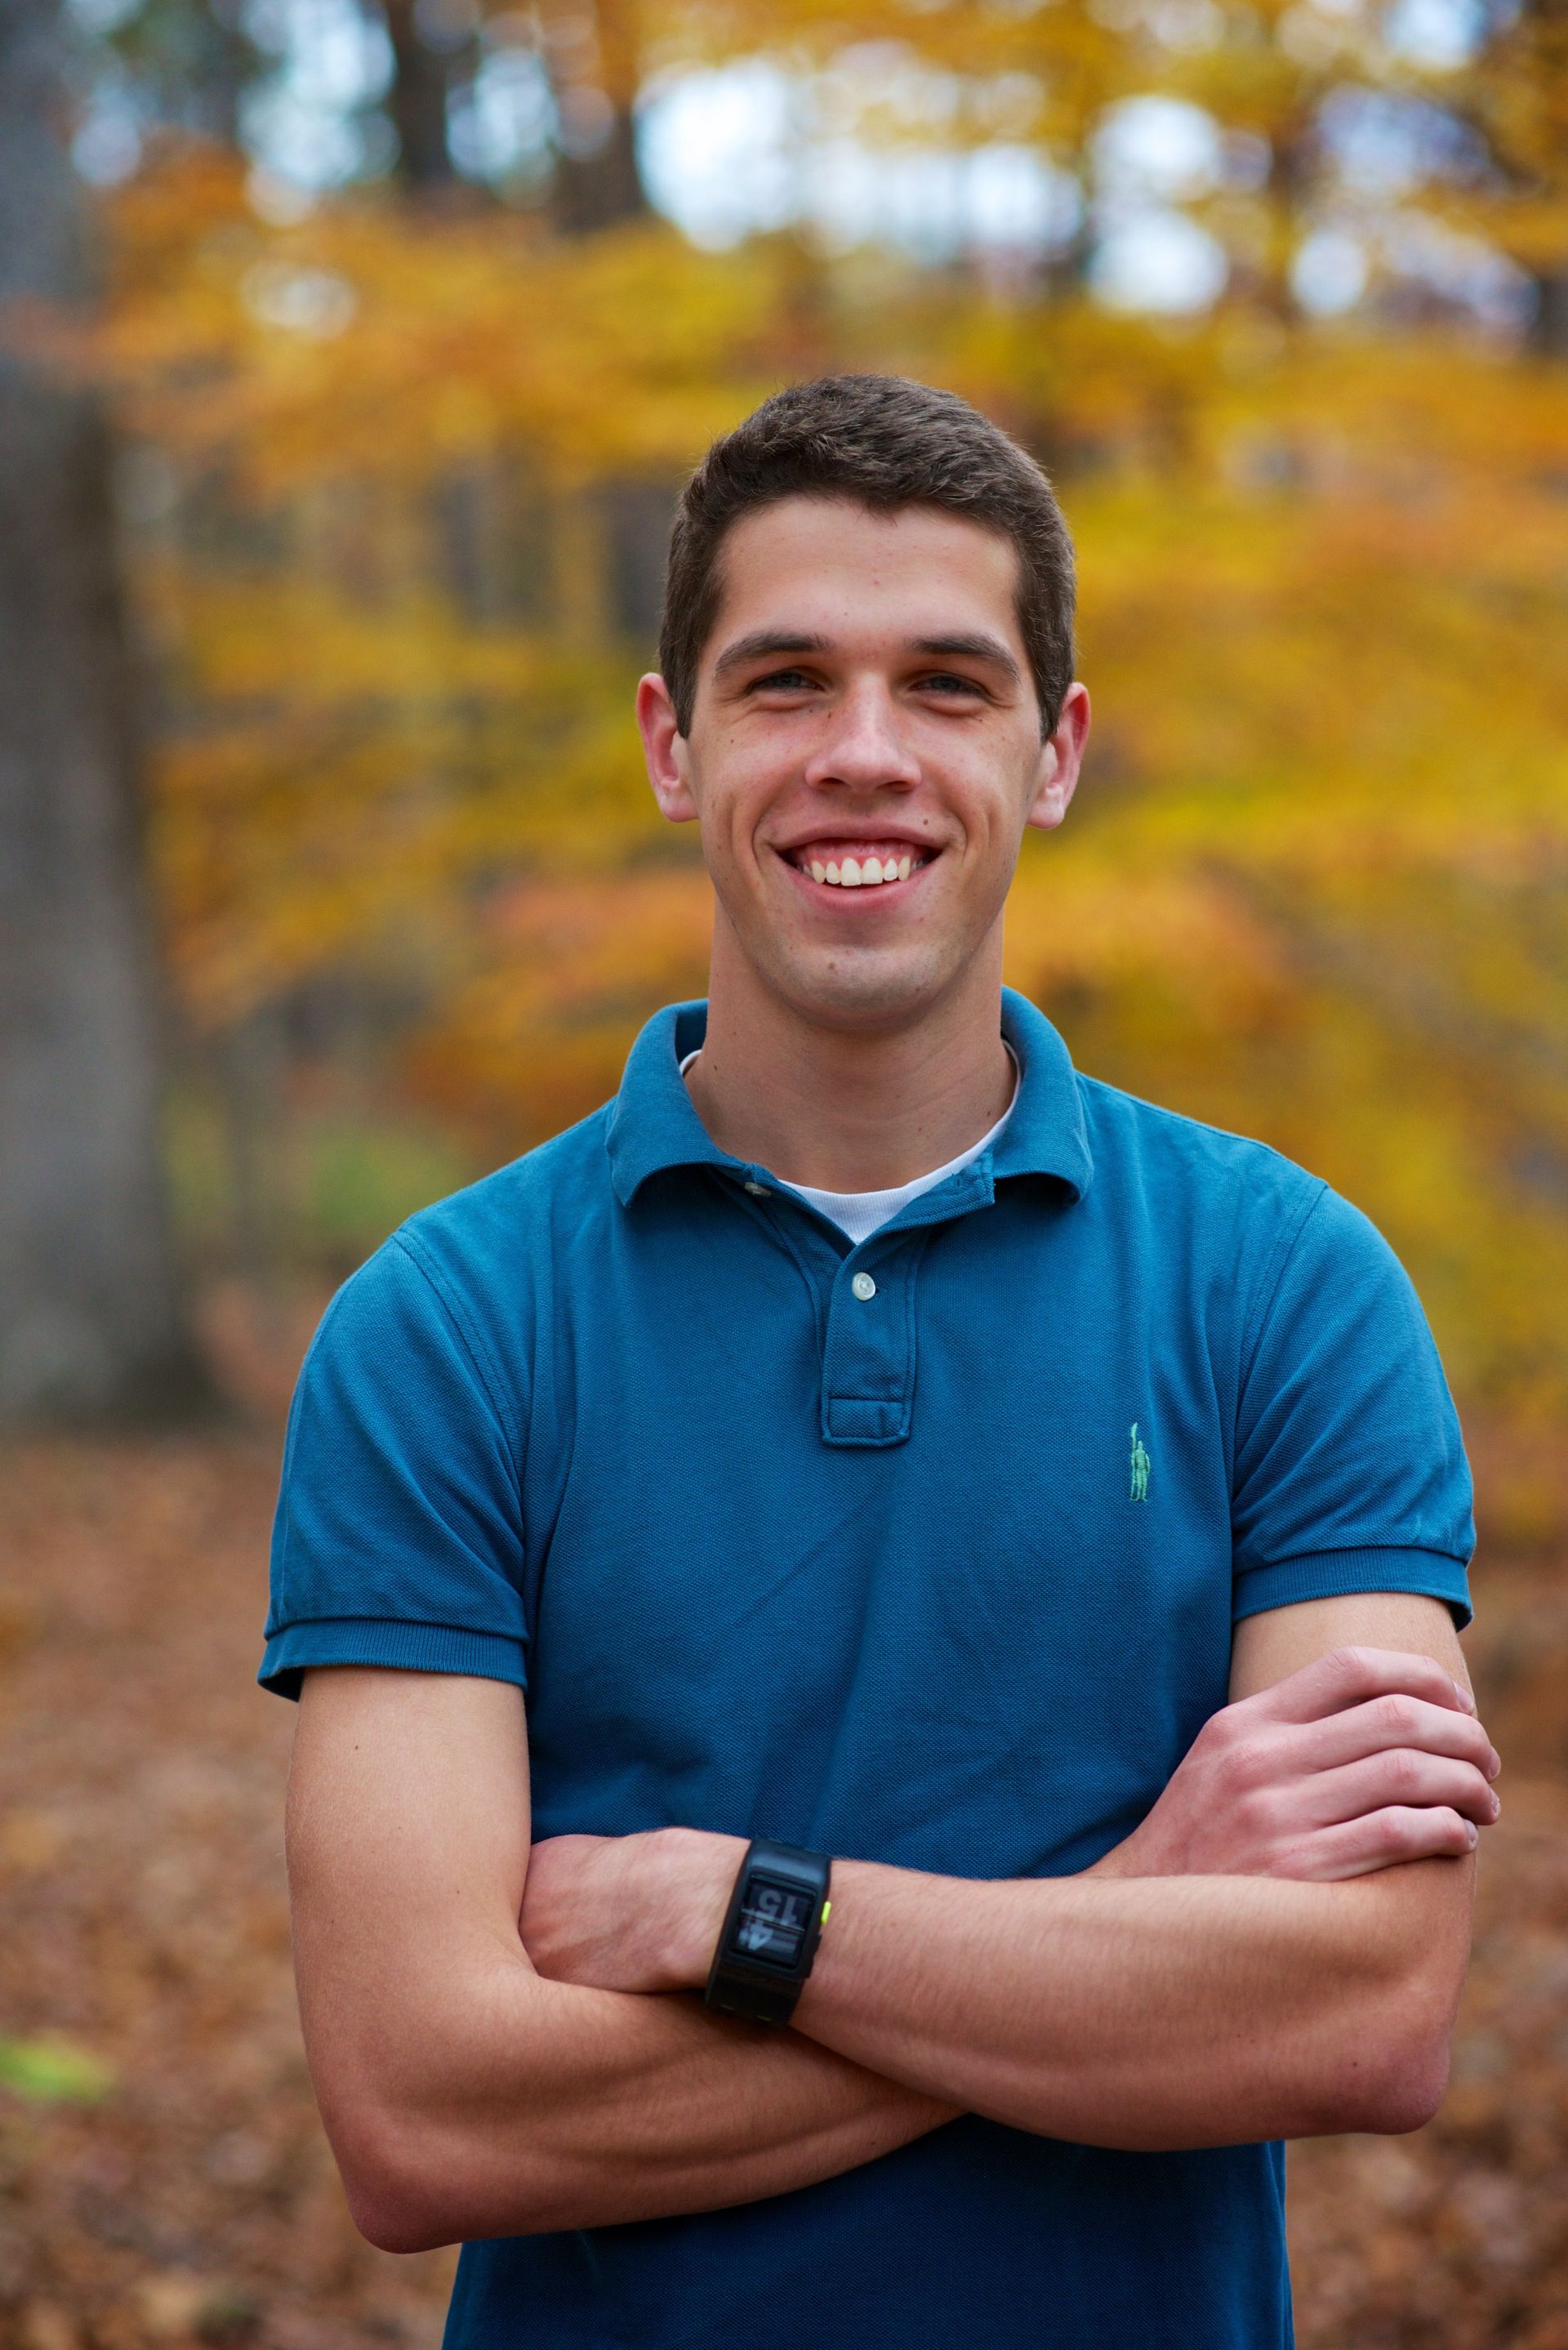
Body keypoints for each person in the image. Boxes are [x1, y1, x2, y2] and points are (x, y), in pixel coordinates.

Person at [264, 374, 1498, 2350]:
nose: (865, 754)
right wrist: (1138, 1906)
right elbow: (427, 2115)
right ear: (670, 745)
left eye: (945, 683)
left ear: (1053, 749)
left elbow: (1360, 2012)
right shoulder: (449, 1323)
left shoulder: (1285, 1283)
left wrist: (742, 1912)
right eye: (785, 683)